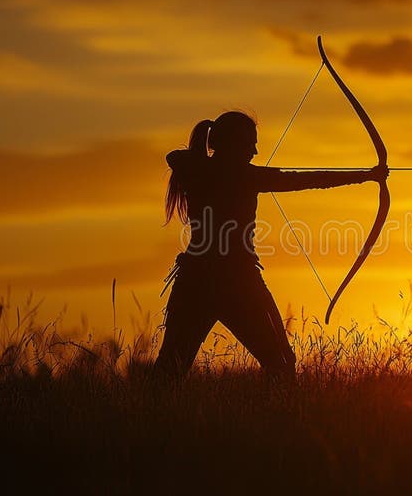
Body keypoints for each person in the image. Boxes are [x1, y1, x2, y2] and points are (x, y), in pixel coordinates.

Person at [154, 111, 387, 380]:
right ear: (233, 143)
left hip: (200, 280)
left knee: (170, 370)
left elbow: (176, 158)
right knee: (279, 364)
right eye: (250, 143)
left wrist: (365, 176)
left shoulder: (202, 170)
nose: (255, 150)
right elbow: (305, 180)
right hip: (236, 283)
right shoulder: (236, 175)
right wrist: (367, 176)